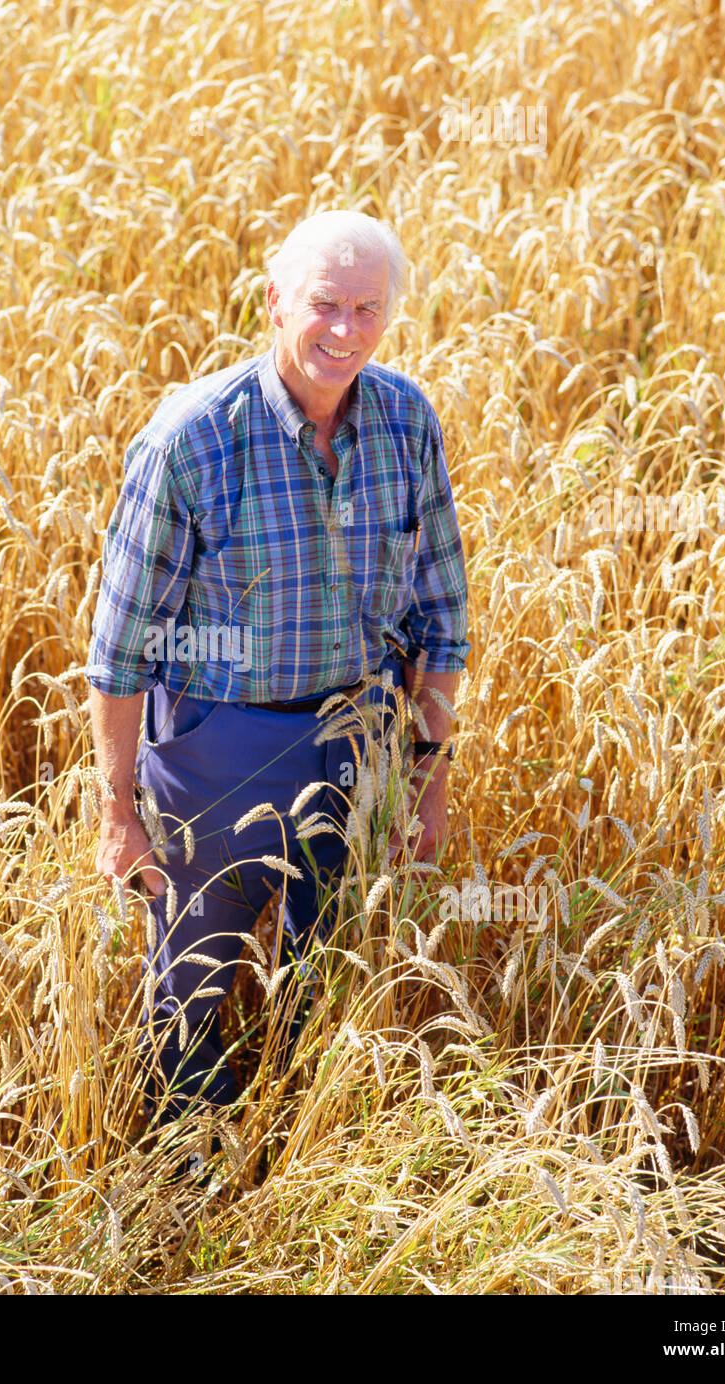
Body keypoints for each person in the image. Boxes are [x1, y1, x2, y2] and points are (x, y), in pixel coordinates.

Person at [86, 209, 470, 1134]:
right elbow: (120, 649)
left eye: (367, 309)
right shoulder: (190, 441)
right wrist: (118, 812)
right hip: (221, 747)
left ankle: (306, 1150)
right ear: (274, 304)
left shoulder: (406, 419)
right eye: (324, 305)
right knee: (192, 979)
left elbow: (440, 619)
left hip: (361, 741)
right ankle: (187, 1175)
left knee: (332, 970)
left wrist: (426, 780)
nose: (344, 331)